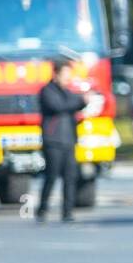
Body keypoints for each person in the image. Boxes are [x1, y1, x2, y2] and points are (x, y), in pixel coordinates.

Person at [37, 58, 99, 223]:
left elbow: (74, 104)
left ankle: (67, 212)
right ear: (56, 74)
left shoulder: (68, 93)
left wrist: (85, 100)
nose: (67, 78)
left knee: (70, 177)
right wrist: (80, 101)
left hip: (69, 140)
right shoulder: (47, 91)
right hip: (53, 141)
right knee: (51, 176)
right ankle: (42, 208)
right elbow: (58, 106)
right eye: (65, 74)